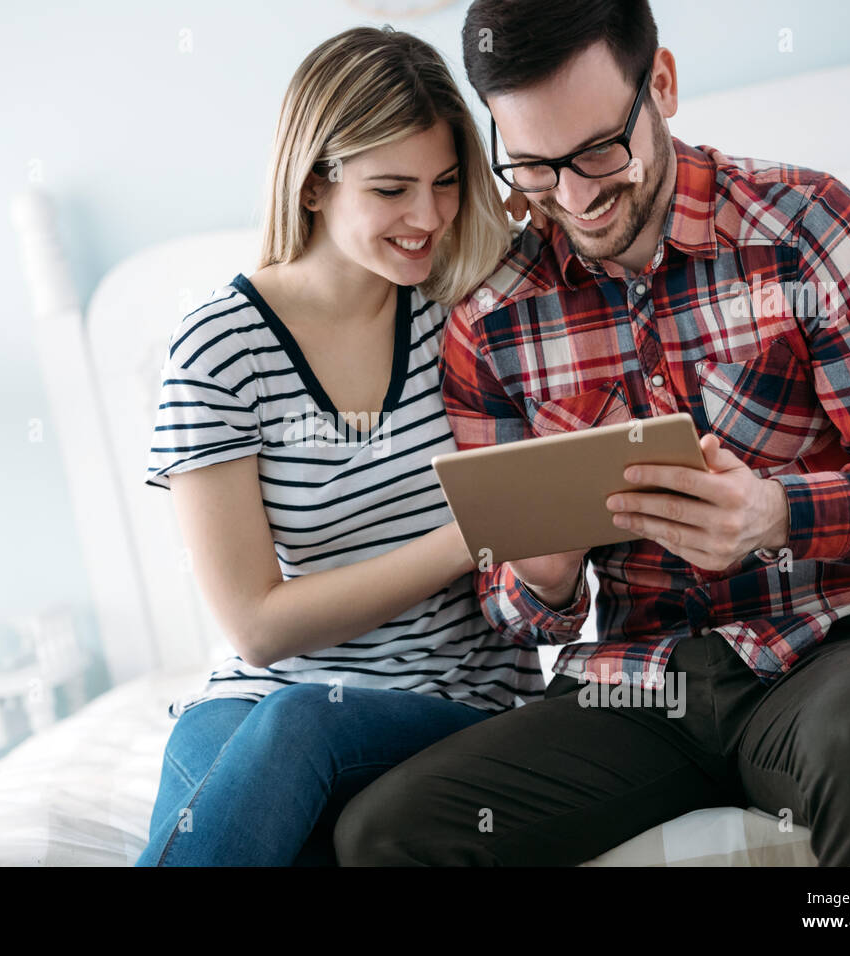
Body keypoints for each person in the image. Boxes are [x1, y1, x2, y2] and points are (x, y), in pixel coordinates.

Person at [334, 0, 850, 866]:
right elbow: (513, 608)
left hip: (846, 643)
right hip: (642, 690)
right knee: (385, 834)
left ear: (664, 86)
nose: (573, 198)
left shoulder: (807, 229)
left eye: (599, 152)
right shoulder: (492, 317)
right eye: (531, 166)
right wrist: (543, 571)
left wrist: (776, 514)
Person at [135, 25, 522, 866]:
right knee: (237, 783)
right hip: (260, 700)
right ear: (314, 184)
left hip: (447, 701)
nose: (429, 218)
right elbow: (258, 629)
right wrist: (470, 536)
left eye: (447, 183)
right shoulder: (218, 351)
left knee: (297, 727)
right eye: (392, 189)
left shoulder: (468, 316)